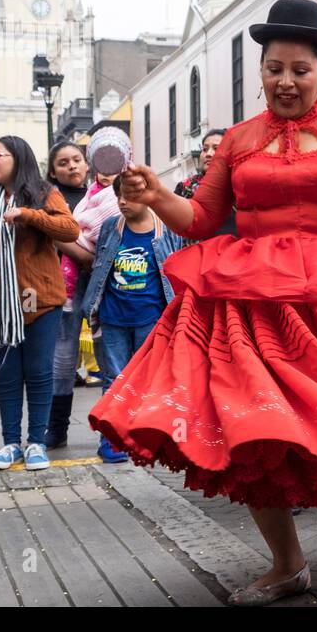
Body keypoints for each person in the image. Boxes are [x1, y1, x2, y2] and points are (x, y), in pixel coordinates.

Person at [91, 0, 317, 606]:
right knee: (253, 429)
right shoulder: (237, 139)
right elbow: (202, 218)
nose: (285, 82)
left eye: (299, 71)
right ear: (260, 72)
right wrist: (154, 196)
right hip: (256, 305)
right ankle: (287, 564)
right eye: (273, 69)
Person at [0, 136, 80, 472]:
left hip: (41, 299)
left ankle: (37, 443)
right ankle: (10, 443)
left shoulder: (44, 194)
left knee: (40, 372)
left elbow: (70, 230)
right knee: (8, 374)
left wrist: (29, 215)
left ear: (19, 158)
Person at [81, 181, 182, 463]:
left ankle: (143, 439)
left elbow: (173, 271)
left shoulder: (165, 230)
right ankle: (111, 441)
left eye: (129, 196)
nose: (123, 202)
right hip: (114, 319)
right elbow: (100, 268)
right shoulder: (112, 227)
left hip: (150, 320)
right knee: (114, 379)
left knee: (149, 380)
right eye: (118, 196)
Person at [46, 141, 93, 447]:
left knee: (107, 356)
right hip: (64, 286)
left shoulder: (102, 195)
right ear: (53, 171)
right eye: (63, 163)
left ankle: (113, 432)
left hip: (104, 282)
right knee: (62, 359)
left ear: (87, 164)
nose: (72, 166)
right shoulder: (48, 200)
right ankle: (57, 429)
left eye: (77, 160)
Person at [174, 129, 236, 238]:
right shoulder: (184, 188)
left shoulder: (239, 186)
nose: (209, 154)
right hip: (194, 252)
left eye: (216, 148)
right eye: (204, 149)